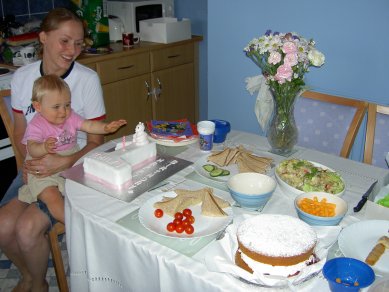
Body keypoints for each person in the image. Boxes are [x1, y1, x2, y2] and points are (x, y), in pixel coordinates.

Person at [0, 8, 109, 292]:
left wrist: (62, 163)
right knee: (2, 228)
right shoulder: (23, 78)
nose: (72, 49)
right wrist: (28, 166)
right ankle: (31, 277)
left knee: (26, 229)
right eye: (64, 40)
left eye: (78, 42)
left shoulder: (86, 80)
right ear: (43, 37)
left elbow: (97, 143)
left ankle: (37, 284)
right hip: (35, 166)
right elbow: (21, 131)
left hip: (75, 166)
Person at [18, 74, 126, 224]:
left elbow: (88, 125)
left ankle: (101, 219)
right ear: (38, 106)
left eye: (67, 105)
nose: (63, 111)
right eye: (56, 107)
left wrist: (106, 128)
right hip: (43, 168)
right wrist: (43, 147)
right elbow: (32, 149)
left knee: (95, 184)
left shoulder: (70, 117)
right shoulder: (36, 125)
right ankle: (73, 225)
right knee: (52, 197)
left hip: (70, 159)